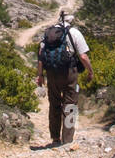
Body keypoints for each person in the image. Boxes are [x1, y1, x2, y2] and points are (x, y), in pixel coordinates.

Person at [34, 12, 92, 147]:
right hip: (69, 73)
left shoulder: (48, 33)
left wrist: (40, 75)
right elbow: (83, 57)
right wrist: (90, 71)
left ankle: (55, 138)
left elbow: (41, 56)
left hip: (51, 74)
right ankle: (67, 139)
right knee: (70, 105)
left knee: (54, 104)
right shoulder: (74, 32)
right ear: (70, 21)